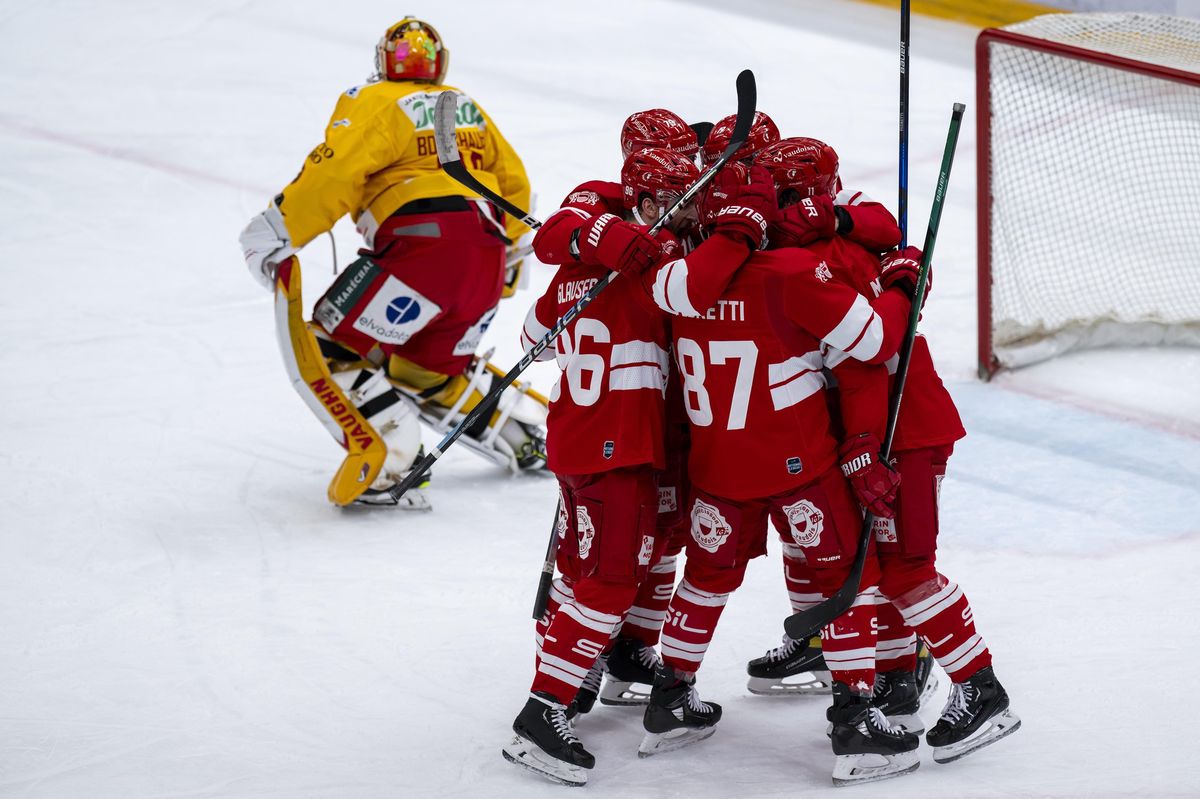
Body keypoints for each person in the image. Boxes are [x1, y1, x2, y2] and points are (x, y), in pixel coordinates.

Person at [638, 163, 932, 782]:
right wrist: (904, 284)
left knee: (707, 577)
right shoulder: (794, 274)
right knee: (843, 578)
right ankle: (855, 720)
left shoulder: (669, 280)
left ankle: (670, 695)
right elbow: (876, 342)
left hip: (716, 467)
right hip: (799, 466)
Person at [755, 137, 1021, 763]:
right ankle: (899, 679)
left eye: (785, 196)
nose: (776, 208)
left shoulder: (833, 259)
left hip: (905, 432)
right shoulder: (814, 255)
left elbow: (871, 361)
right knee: (882, 562)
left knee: (906, 569)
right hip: (876, 435)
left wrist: (861, 448)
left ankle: (982, 690)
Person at [238, 18, 546, 508]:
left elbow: (336, 168)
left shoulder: (375, 100)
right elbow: (513, 182)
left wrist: (281, 226)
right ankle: (524, 429)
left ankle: (390, 461)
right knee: (428, 369)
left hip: (420, 251)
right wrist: (508, 256)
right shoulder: (462, 105)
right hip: (486, 257)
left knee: (331, 346)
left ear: (383, 61)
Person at [502, 148, 697, 787]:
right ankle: (545, 709)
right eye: (676, 197)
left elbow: (536, 337)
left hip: (577, 440)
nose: (688, 208)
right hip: (620, 445)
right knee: (611, 575)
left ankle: (592, 668)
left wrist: (592, 250)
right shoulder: (659, 267)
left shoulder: (589, 265)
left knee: (593, 565)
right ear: (642, 199)